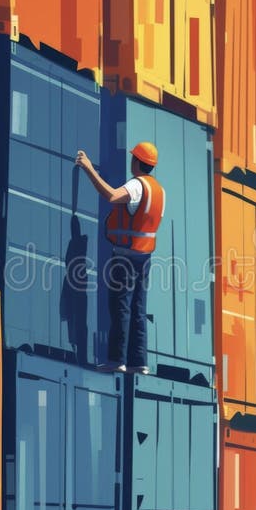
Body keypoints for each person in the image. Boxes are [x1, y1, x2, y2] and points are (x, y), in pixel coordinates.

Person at [75, 142, 165, 374]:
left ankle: (117, 360)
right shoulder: (159, 191)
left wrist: (88, 168)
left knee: (120, 307)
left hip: (125, 257)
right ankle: (139, 362)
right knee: (138, 308)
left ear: (136, 161)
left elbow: (112, 196)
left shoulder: (137, 185)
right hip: (145, 256)